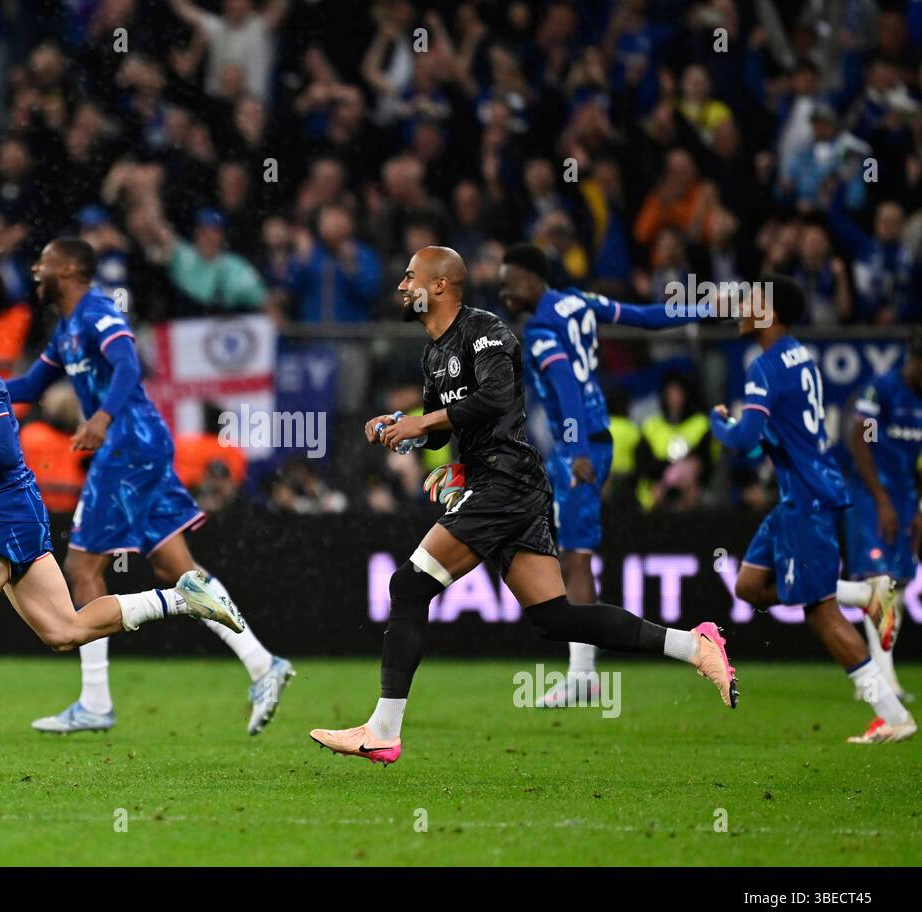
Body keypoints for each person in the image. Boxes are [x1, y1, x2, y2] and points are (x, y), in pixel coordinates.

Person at [309, 247, 737, 765]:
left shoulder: (487, 331)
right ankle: (694, 646)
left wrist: (426, 426)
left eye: (409, 275)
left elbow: (493, 397)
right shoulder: (432, 353)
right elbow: (443, 430)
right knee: (556, 619)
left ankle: (382, 730)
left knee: (409, 585)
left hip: (506, 482)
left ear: (440, 285)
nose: (400, 285)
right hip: (501, 483)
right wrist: (399, 430)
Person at [0, 288, 244, 774]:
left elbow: (4, 452)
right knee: (63, 631)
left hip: (4, 516)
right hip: (5, 514)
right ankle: (180, 598)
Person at [5, 239, 294, 736]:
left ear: (70, 268)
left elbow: (129, 365)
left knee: (81, 566)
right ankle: (262, 663)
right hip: (139, 445)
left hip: (128, 443)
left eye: (45, 260)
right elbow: (29, 387)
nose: (36, 267)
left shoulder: (97, 311)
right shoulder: (66, 329)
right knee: (174, 567)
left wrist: (100, 417)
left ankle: (95, 702)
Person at [498, 243, 712, 705]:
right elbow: (647, 316)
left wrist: (574, 450)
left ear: (534, 279)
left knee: (574, 557)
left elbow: (567, 388)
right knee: (570, 554)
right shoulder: (581, 301)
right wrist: (706, 308)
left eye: (509, 281)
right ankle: (582, 672)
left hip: (581, 447)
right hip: (588, 442)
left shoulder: (540, 329)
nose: (504, 290)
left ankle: (583, 676)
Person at [712, 275, 915, 743]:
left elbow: (742, 442)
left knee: (818, 612)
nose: (744, 307)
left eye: (753, 301)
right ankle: (867, 596)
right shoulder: (800, 355)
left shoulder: (764, 367)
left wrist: (719, 422)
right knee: (750, 586)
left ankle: (892, 714)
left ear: (773, 313)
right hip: (797, 496)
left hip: (806, 499)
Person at [834, 330, 922, 704]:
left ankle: (876, 676)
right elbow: (860, 441)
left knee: (896, 588)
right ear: (912, 359)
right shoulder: (880, 391)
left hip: (905, 497)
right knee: (879, 582)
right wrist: (881, 499)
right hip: (870, 494)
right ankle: (882, 680)